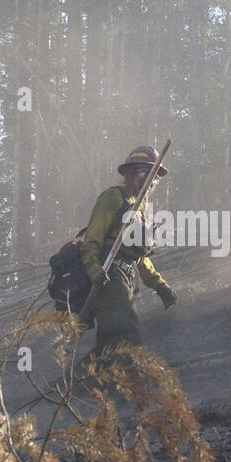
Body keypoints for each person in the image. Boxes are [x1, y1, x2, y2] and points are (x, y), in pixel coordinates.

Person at [79, 145, 178, 358]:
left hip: (126, 277)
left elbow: (140, 257)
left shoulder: (141, 210)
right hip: (108, 274)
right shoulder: (114, 197)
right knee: (125, 333)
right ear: (132, 173)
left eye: (156, 178)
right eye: (148, 174)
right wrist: (93, 267)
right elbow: (92, 238)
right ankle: (128, 382)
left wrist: (160, 285)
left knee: (110, 343)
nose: (152, 182)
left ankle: (88, 382)